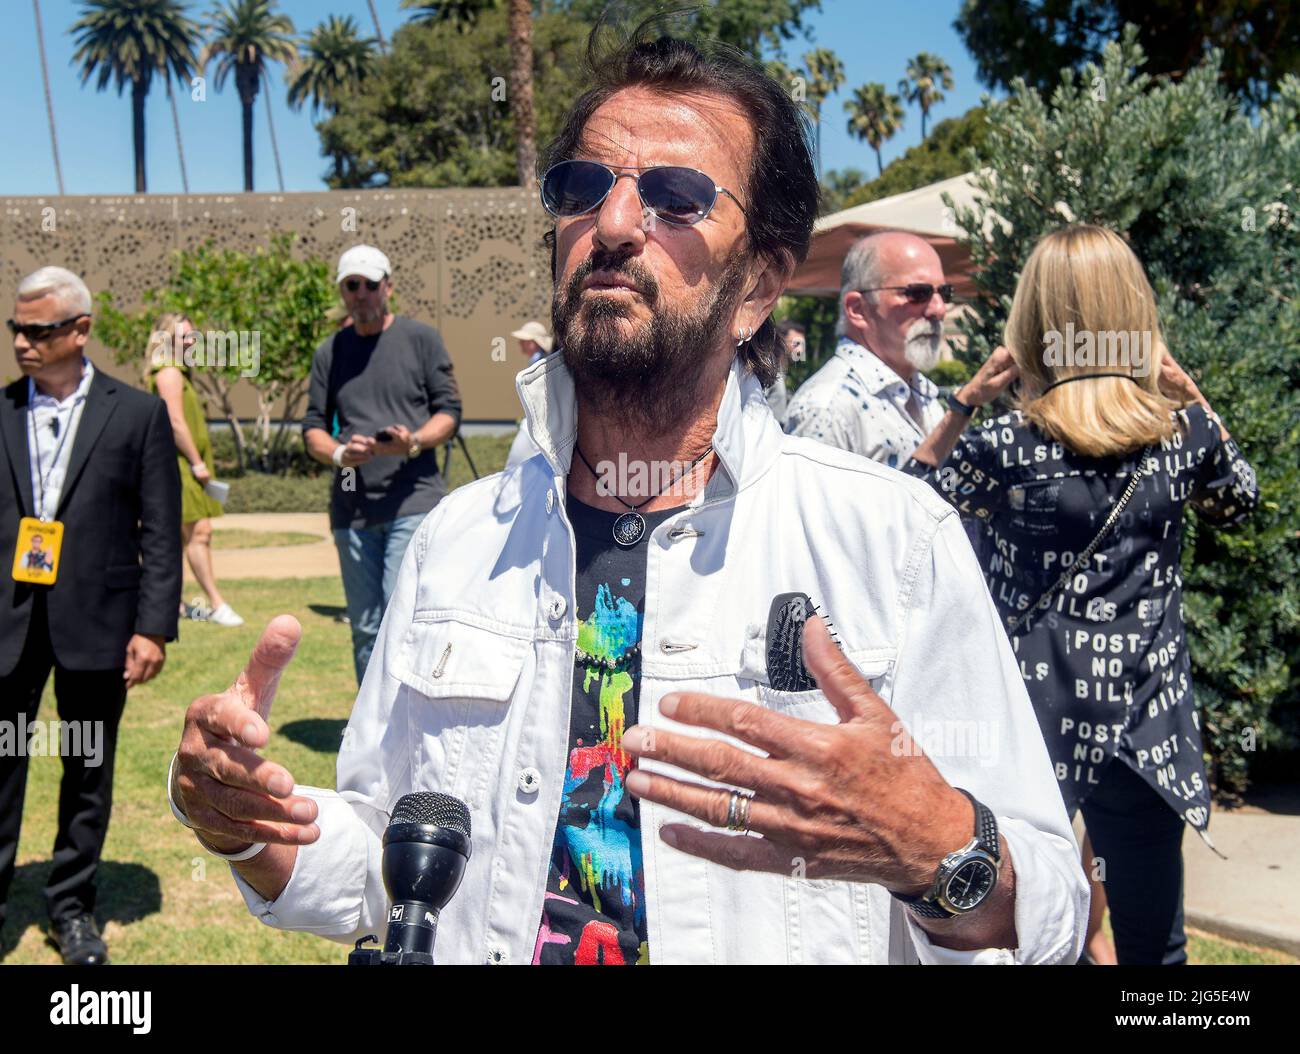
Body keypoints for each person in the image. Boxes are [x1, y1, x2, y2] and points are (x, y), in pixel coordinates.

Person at [169, 32, 1086, 965]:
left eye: (675, 196)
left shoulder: (892, 543)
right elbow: (384, 856)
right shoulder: (457, 542)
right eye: (579, 188)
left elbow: (1049, 911)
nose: (611, 225)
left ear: (759, 286)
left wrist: (941, 851)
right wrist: (253, 830)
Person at [904, 225, 1259, 965]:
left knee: (1001, 936)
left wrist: (968, 398)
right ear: (1135, 316)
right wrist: (1187, 389)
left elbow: (903, 515)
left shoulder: (1004, 445)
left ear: (1032, 320)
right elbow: (1241, 499)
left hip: (1027, 717)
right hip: (1147, 719)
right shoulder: (1183, 439)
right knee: (1154, 948)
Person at [1, 266, 181, 964]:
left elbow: (160, 528)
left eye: (38, 330)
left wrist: (152, 625)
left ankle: (72, 907)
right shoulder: (3, 407)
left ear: (80, 331)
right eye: (16, 327)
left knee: (85, 765)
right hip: (9, 624)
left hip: (99, 622)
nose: (22, 341)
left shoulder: (134, 414)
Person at [301, 245, 463, 684]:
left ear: (387, 287)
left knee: (401, 615)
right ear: (342, 292)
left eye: (370, 284)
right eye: (351, 285)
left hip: (413, 500)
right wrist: (338, 454)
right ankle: (369, 737)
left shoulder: (420, 339)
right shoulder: (329, 352)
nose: (361, 294)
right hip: (352, 507)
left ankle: (406, 727)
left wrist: (412, 443)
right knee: (366, 627)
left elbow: (449, 412)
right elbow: (313, 427)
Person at [784, 230, 950, 468]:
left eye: (944, 293)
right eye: (917, 293)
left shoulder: (921, 391)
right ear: (857, 309)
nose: (939, 309)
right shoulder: (827, 410)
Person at [146, 313, 243, 627]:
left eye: (192, 337)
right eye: (183, 336)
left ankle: (172, 603)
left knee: (180, 535)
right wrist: (196, 462)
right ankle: (216, 603)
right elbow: (175, 422)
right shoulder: (170, 373)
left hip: (182, 465)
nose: (190, 342)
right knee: (198, 532)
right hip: (180, 466)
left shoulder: (178, 373)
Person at [504, 322, 554, 469]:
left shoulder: (541, 363)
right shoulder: (538, 360)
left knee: (514, 467)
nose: (520, 343)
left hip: (541, 423)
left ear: (534, 343)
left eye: (524, 341)